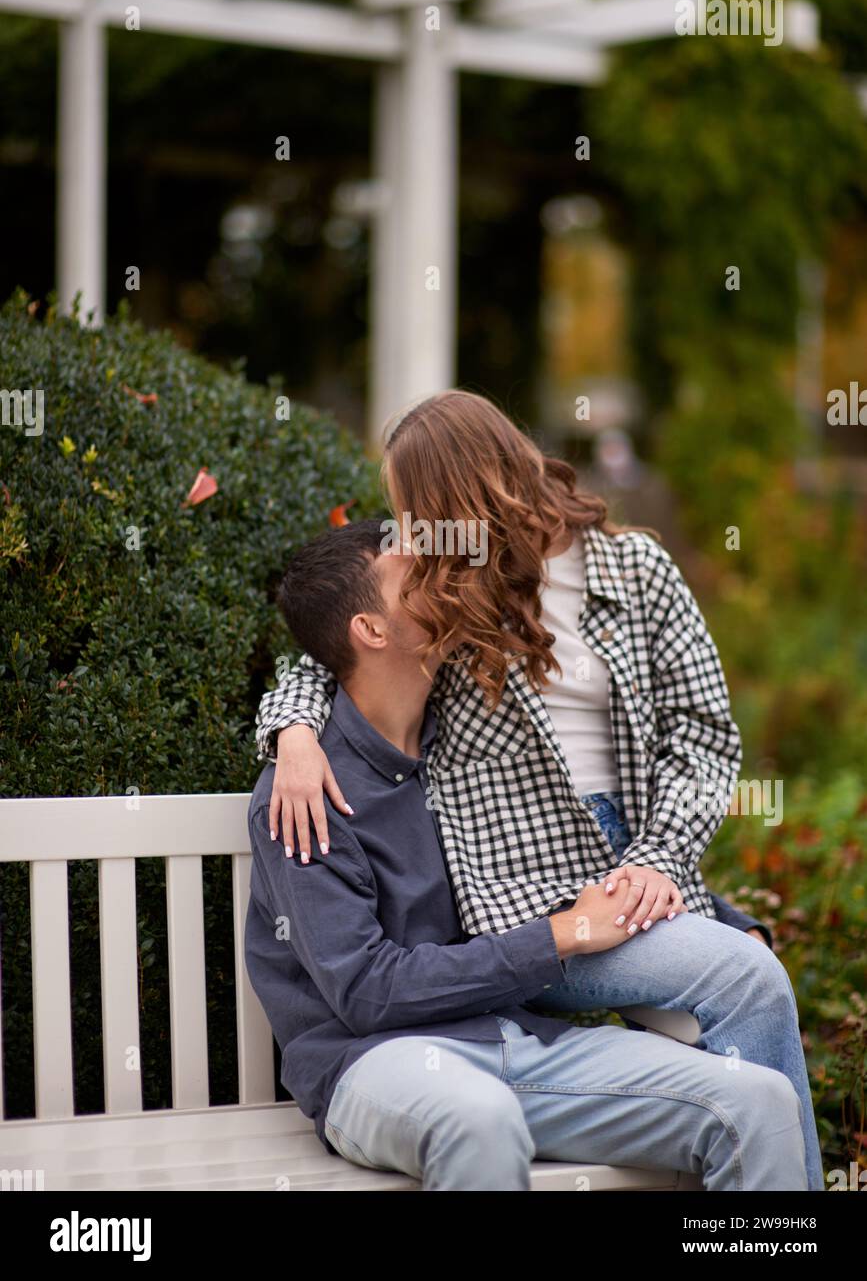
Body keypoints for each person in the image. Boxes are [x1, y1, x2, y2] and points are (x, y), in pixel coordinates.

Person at [256, 391, 824, 1190]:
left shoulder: (638, 571)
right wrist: (293, 733)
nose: (410, 537)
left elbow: (701, 735)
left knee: (743, 1016)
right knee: (743, 976)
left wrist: (660, 858)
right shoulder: (453, 597)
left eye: (413, 512)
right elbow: (332, 649)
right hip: (520, 905)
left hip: (635, 864)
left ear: (462, 492)